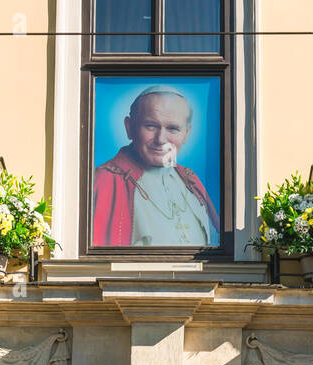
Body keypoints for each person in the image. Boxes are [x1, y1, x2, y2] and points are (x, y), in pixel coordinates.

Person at [93, 86, 220, 248]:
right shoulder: (103, 181)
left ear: (186, 134)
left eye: (173, 128)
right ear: (129, 127)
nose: (161, 139)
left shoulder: (191, 180)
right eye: (151, 126)